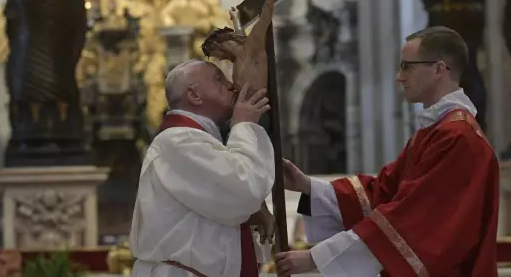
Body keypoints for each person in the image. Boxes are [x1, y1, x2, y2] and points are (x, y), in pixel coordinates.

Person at [275, 26, 499, 276]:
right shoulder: (438, 130)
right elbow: (383, 192)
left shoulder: (457, 137)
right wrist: (307, 186)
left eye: (407, 66)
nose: (399, 77)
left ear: (439, 69)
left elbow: (409, 220)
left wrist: (315, 258)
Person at [130, 60, 276, 277]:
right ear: (194, 95)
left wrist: (252, 210)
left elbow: (226, 202)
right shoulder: (179, 140)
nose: (231, 85)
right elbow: (244, 192)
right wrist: (245, 125)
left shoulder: (193, 141)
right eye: (219, 79)